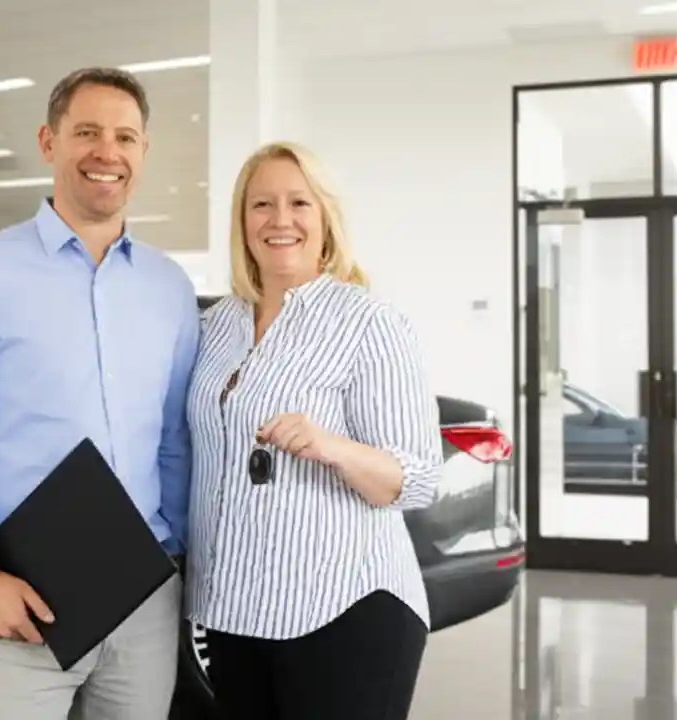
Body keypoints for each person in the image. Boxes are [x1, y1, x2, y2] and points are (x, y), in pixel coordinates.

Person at [0, 67, 200, 720]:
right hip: (20, 591)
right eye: (86, 132)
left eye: (125, 136)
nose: (107, 152)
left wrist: (172, 564)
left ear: (143, 152)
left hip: (143, 597)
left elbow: (173, 442)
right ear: (48, 142)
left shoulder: (168, 287)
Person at [184, 141, 444, 720]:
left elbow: (421, 479)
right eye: (262, 205)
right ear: (241, 222)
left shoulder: (368, 323)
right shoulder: (215, 326)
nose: (280, 220)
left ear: (324, 219)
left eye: (299, 203)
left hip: (343, 608)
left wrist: (333, 446)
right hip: (234, 612)